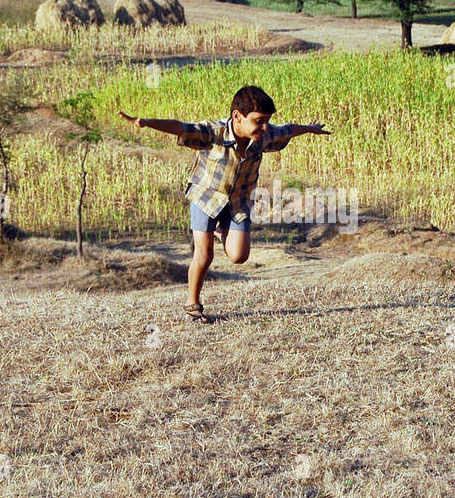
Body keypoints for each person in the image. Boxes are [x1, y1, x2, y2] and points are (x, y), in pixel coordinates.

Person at [119, 85, 330, 323]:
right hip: (206, 198)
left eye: (267, 121)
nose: (264, 127)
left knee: (239, 256)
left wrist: (311, 129)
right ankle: (193, 305)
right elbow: (180, 126)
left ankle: (221, 231)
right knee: (204, 254)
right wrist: (145, 122)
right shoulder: (214, 132)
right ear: (237, 117)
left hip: (238, 203)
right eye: (259, 121)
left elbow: (288, 130)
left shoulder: (264, 136)